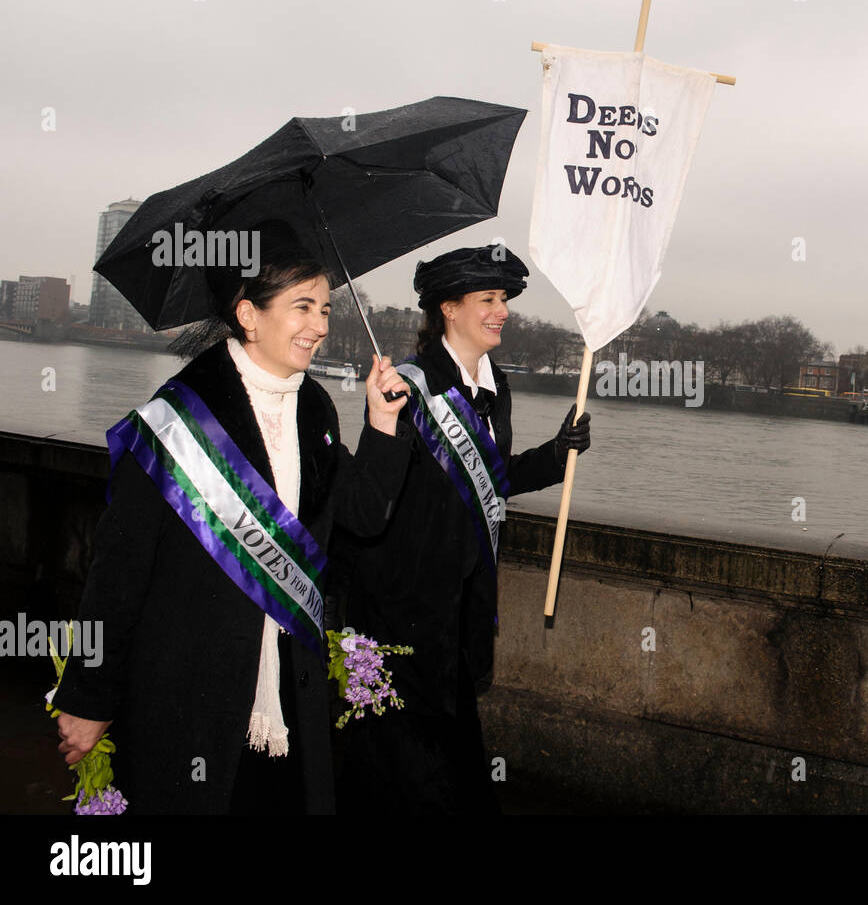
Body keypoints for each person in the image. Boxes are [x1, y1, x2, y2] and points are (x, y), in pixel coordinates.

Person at [52, 223, 412, 814]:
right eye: (303, 307)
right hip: (190, 692)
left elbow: (365, 515)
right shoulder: (179, 419)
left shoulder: (316, 406)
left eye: (324, 309)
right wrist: (89, 697)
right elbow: (117, 574)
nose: (321, 326)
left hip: (289, 699)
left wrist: (383, 425)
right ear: (249, 314)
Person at [336, 244, 590, 814]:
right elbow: (370, 502)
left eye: (504, 299)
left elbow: (491, 482)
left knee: (439, 764)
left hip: (461, 612)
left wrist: (555, 454)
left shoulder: (497, 383)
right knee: (399, 770)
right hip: (398, 611)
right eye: (488, 299)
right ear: (449, 308)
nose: (502, 311)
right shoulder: (407, 386)